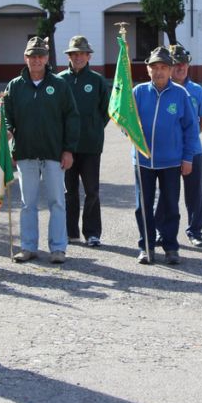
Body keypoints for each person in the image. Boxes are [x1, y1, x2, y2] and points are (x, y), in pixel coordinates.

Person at [4, 37, 80, 264]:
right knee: (28, 203)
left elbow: (72, 118)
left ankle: (58, 248)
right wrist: (6, 132)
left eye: (40, 56)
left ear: (47, 58)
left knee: (57, 201)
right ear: (25, 58)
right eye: (32, 56)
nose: (36, 60)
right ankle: (28, 247)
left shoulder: (59, 85)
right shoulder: (14, 86)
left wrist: (68, 150)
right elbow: (7, 117)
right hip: (26, 153)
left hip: (54, 153)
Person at [132, 46, 202, 265]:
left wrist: (188, 158)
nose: (159, 71)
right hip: (144, 160)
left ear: (170, 70)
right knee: (143, 207)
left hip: (171, 161)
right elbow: (127, 122)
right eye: (155, 67)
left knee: (171, 204)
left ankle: (171, 246)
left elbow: (191, 128)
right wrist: (128, 129)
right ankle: (147, 246)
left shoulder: (181, 94)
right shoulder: (138, 92)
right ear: (148, 70)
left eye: (163, 67)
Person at [57, 36, 111, 247]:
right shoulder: (60, 80)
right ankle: (71, 232)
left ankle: (92, 232)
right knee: (69, 192)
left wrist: (94, 129)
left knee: (92, 190)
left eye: (82, 54)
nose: (78, 57)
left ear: (88, 56)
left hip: (90, 145)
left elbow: (106, 111)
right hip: (66, 147)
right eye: (74, 54)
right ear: (69, 56)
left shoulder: (97, 81)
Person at [167, 44, 202, 247]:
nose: (181, 68)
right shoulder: (164, 88)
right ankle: (166, 232)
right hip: (169, 151)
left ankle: (195, 231)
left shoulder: (196, 90)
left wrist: (189, 140)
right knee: (169, 193)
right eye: (176, 64)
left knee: (194, 193)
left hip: (193, 151)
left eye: (184, 64)